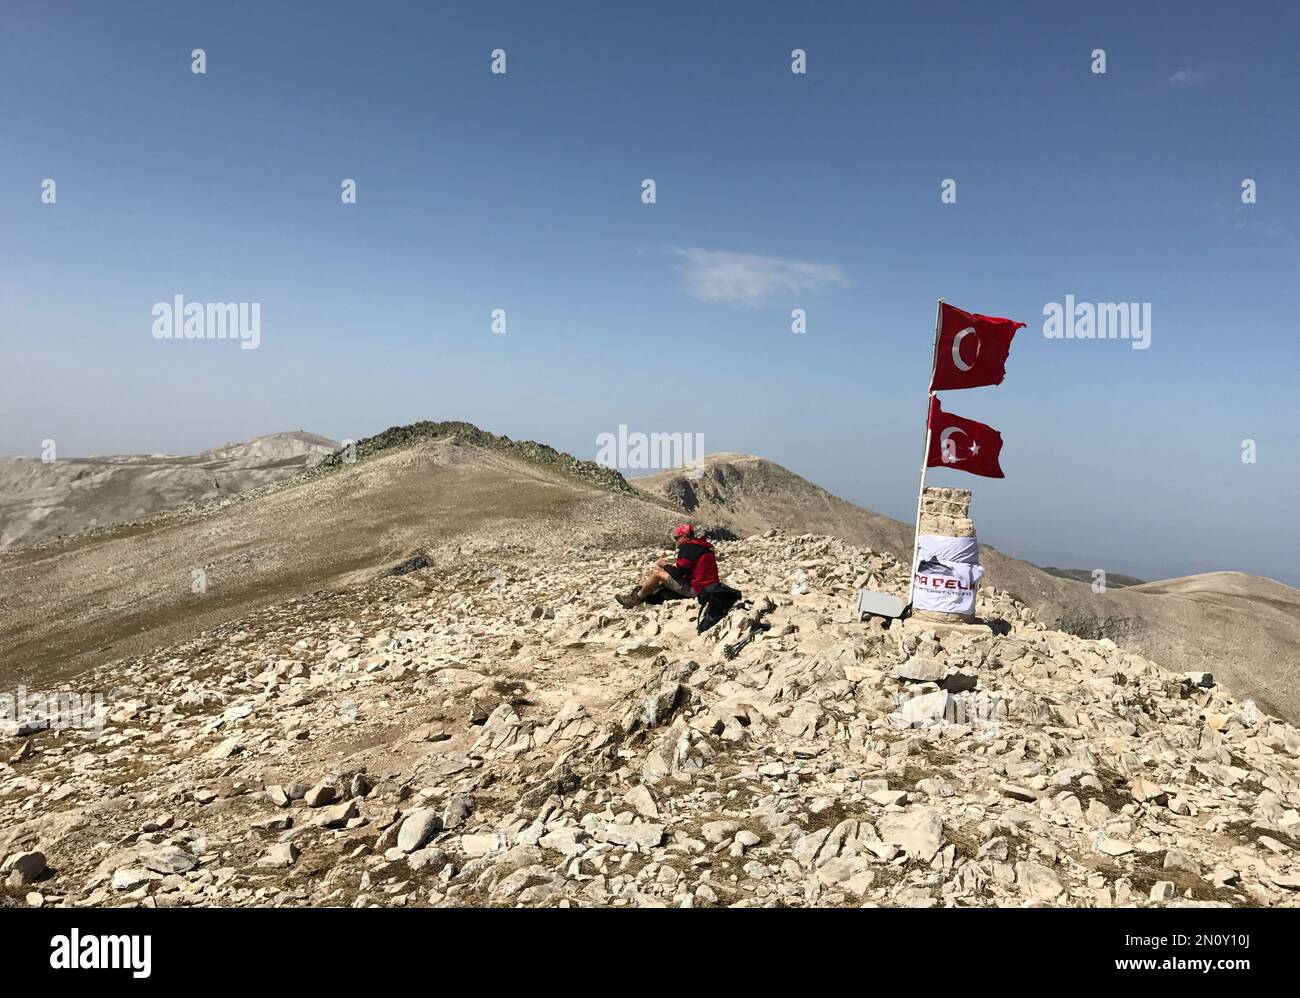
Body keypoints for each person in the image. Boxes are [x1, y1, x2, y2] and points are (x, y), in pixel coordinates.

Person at [616, 524, 742, 633]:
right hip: (710, 587)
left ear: (684, 537)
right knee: (662, 586)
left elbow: (678, 574)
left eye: (677, 538)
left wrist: (664, 565)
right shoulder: (703, 546)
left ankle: (634, 599)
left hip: (697, 589)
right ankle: (641, 593)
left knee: (657, 575)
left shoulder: (687, 548)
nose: (675, 541)